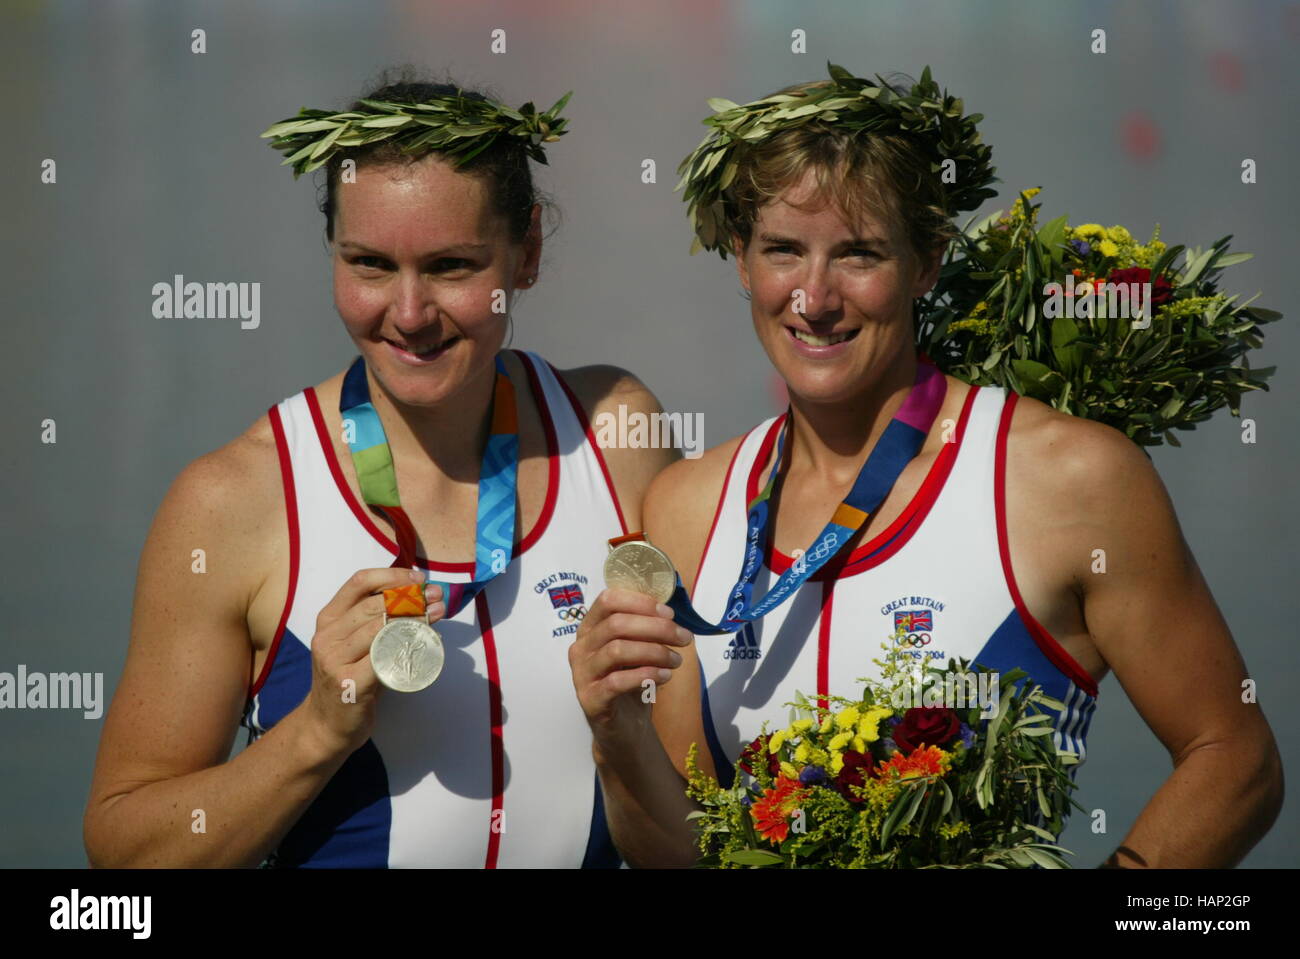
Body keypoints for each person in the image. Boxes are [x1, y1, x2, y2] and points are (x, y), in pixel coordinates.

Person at [569, 67, 1284, 868]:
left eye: (859, 253)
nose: (813, 296)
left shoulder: (1070, 479)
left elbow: (1235, 756)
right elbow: (683, 856)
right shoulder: (686, 506)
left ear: (928, 262)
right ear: (740, 260)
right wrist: (615, 733)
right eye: (782, 251)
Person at [83, 72, 674, 868]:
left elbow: (706, 783)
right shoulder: (232, 502)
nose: (407, 313)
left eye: (451, 266)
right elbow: (124, 853)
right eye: (367, 264)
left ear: (526, 252)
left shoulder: (616, 431)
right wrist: (315, 734)